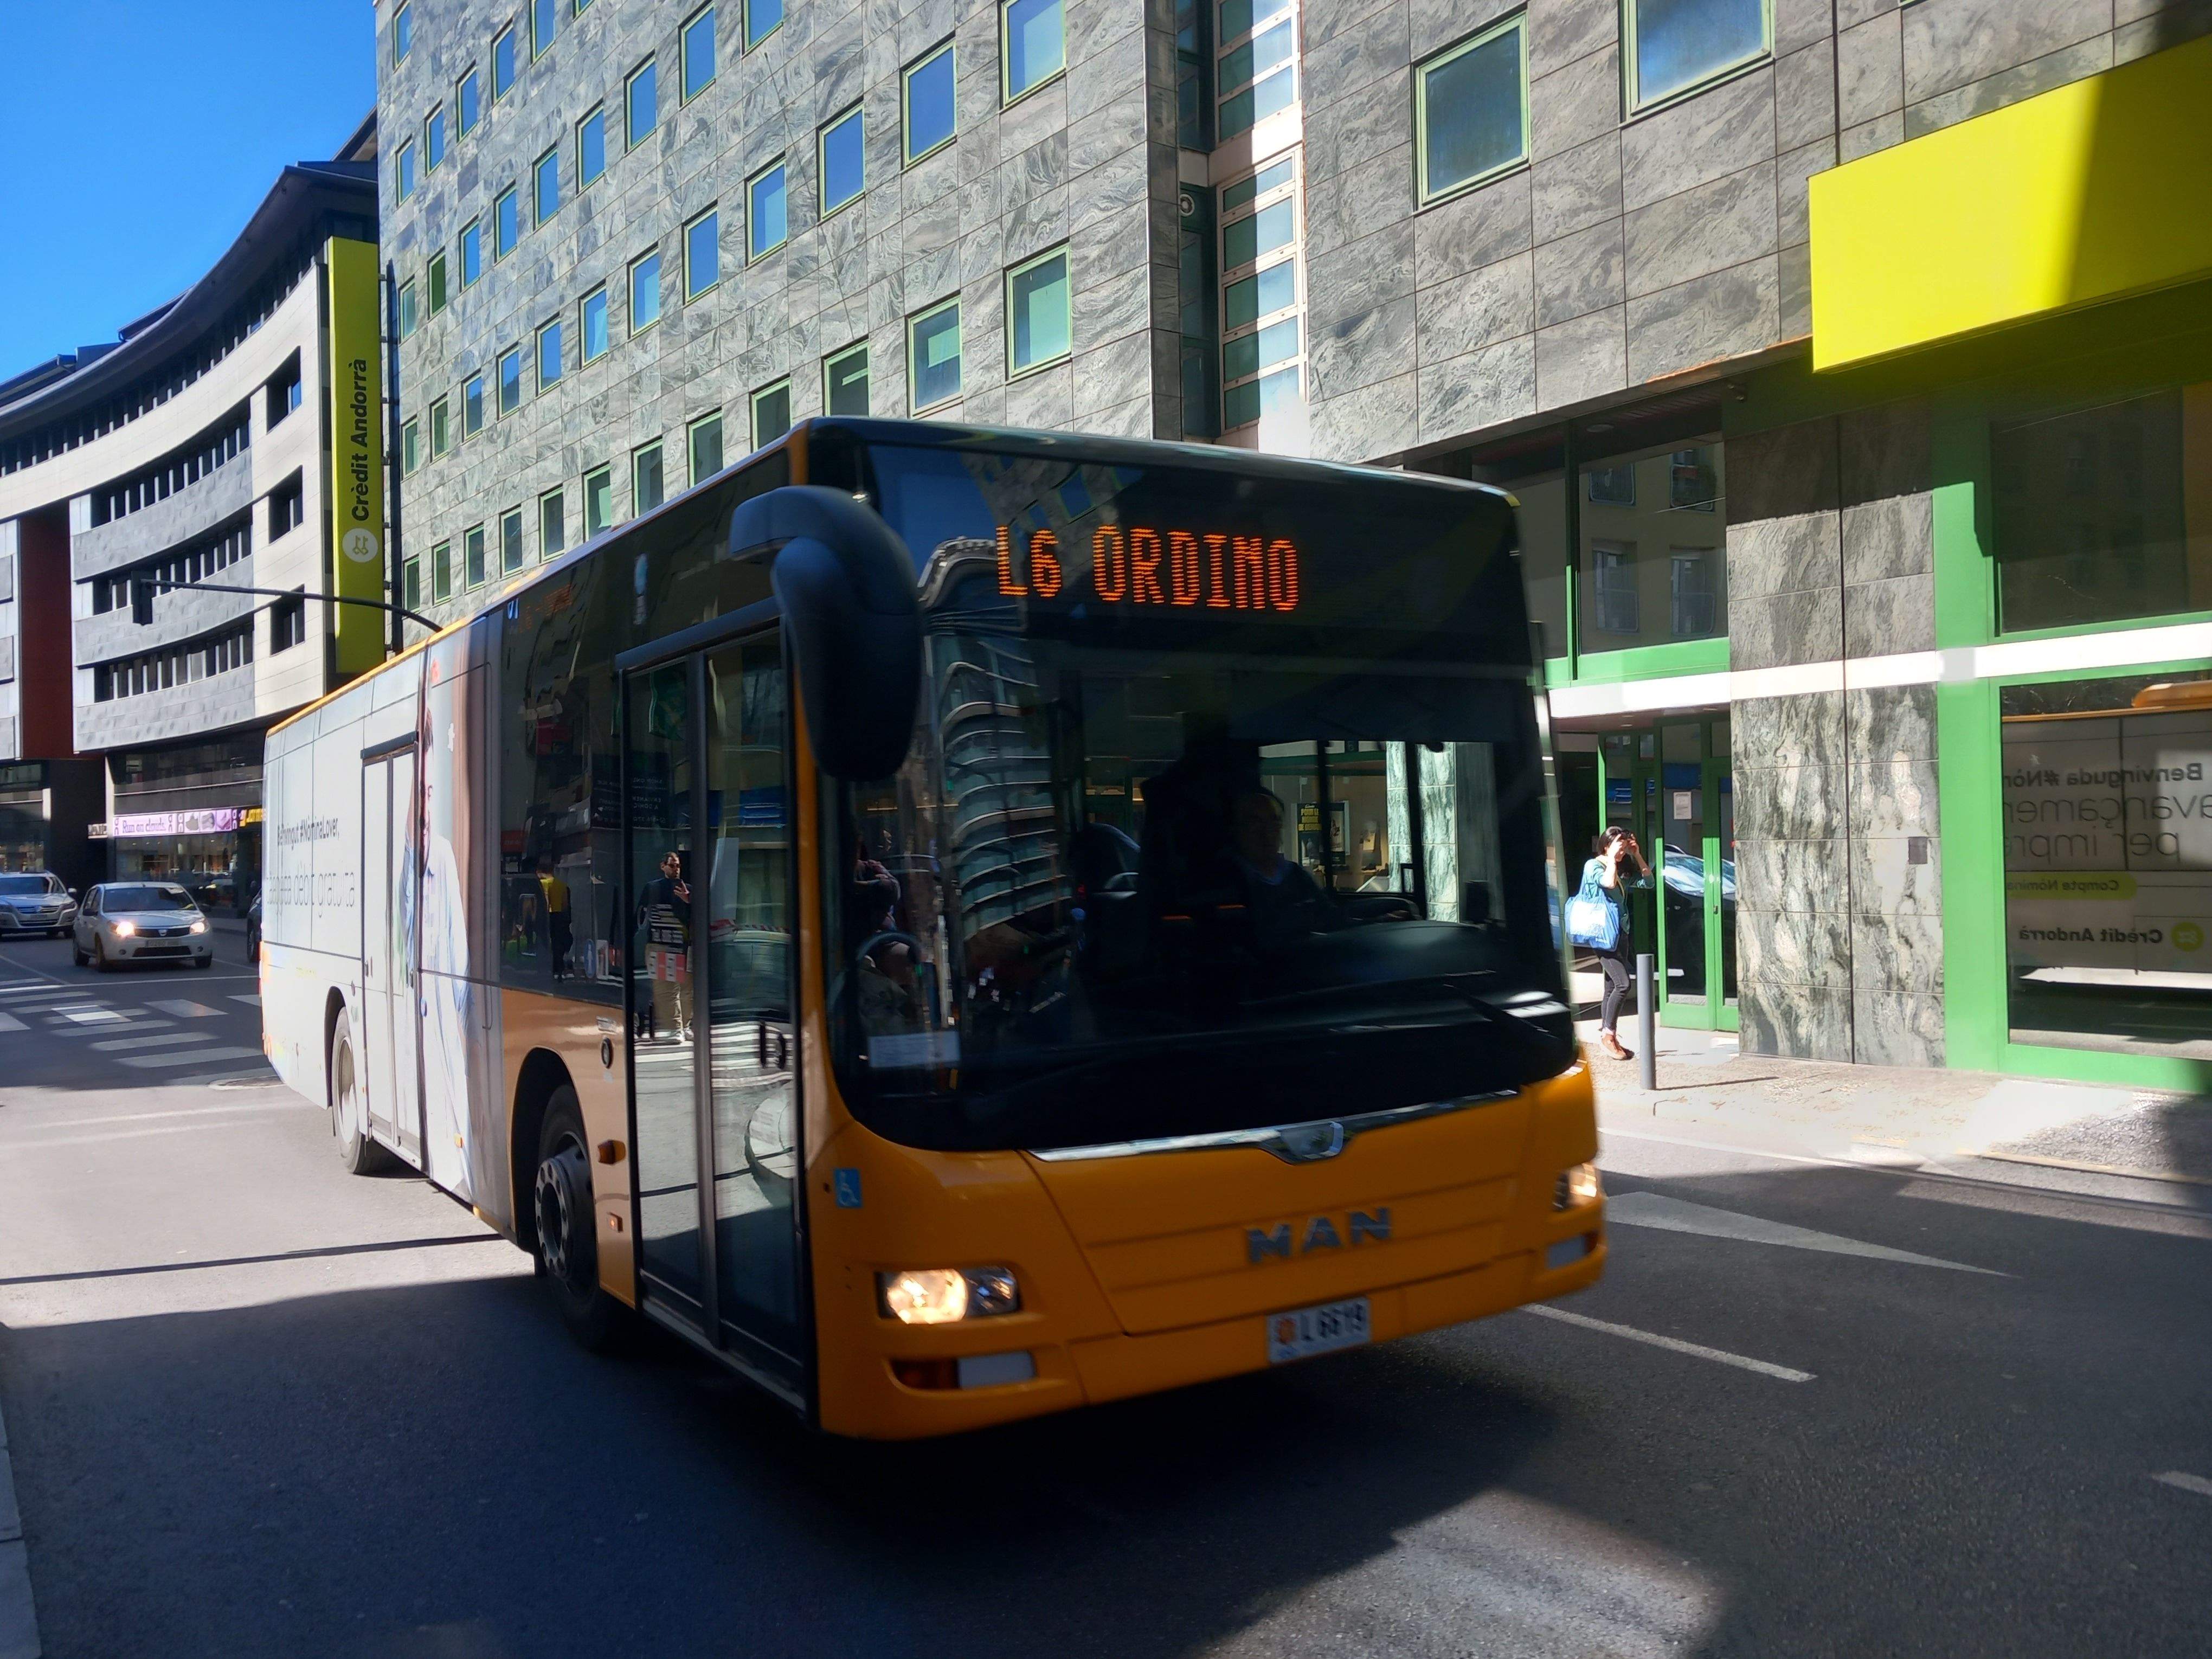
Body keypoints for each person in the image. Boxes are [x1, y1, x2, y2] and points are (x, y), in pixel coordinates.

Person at [1584, 827, 1650, 1061]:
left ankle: (1608, 1036)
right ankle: (1608, 1035)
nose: (1622, 851)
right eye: (1619, 847)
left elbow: (1648, 883)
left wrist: (1637, 855)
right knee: (1623, 984)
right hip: (1601, 933)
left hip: (1620, 933)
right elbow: (1608, 883)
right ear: (1606, 845)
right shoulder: (1593, 866)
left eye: (1625, 848)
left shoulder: (1623, 866)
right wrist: (1611, 859)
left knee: (1612, 986)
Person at [1231, 788, 1326, 948]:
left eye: (1274, 821)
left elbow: (1329, 916)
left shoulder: (1296, 875)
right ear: (1237, 830)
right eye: (1255, 823)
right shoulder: (1229, 881)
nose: (1267, 831)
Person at [637, 849, 692, 1041]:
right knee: (667, 989)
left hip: (683, 945)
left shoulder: (689, 889)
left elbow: (698, 915)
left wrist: (688, 900)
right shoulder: (652, 888)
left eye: (678, 866)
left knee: (686, 989)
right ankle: (676, 1028)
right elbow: (641, 915)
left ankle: (684, 1026)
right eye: (672, 865)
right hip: (660, 943)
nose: (676, 869)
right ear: (663, 867)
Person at [537, 853, 571, 979]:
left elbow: (545, 902)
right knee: (558, 944)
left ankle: (549, 967)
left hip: (548, 917)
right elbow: (566, 905)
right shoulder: (562, 885)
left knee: (546, 943)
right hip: (560, 917)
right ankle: (559, 967)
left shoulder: (542, 884)